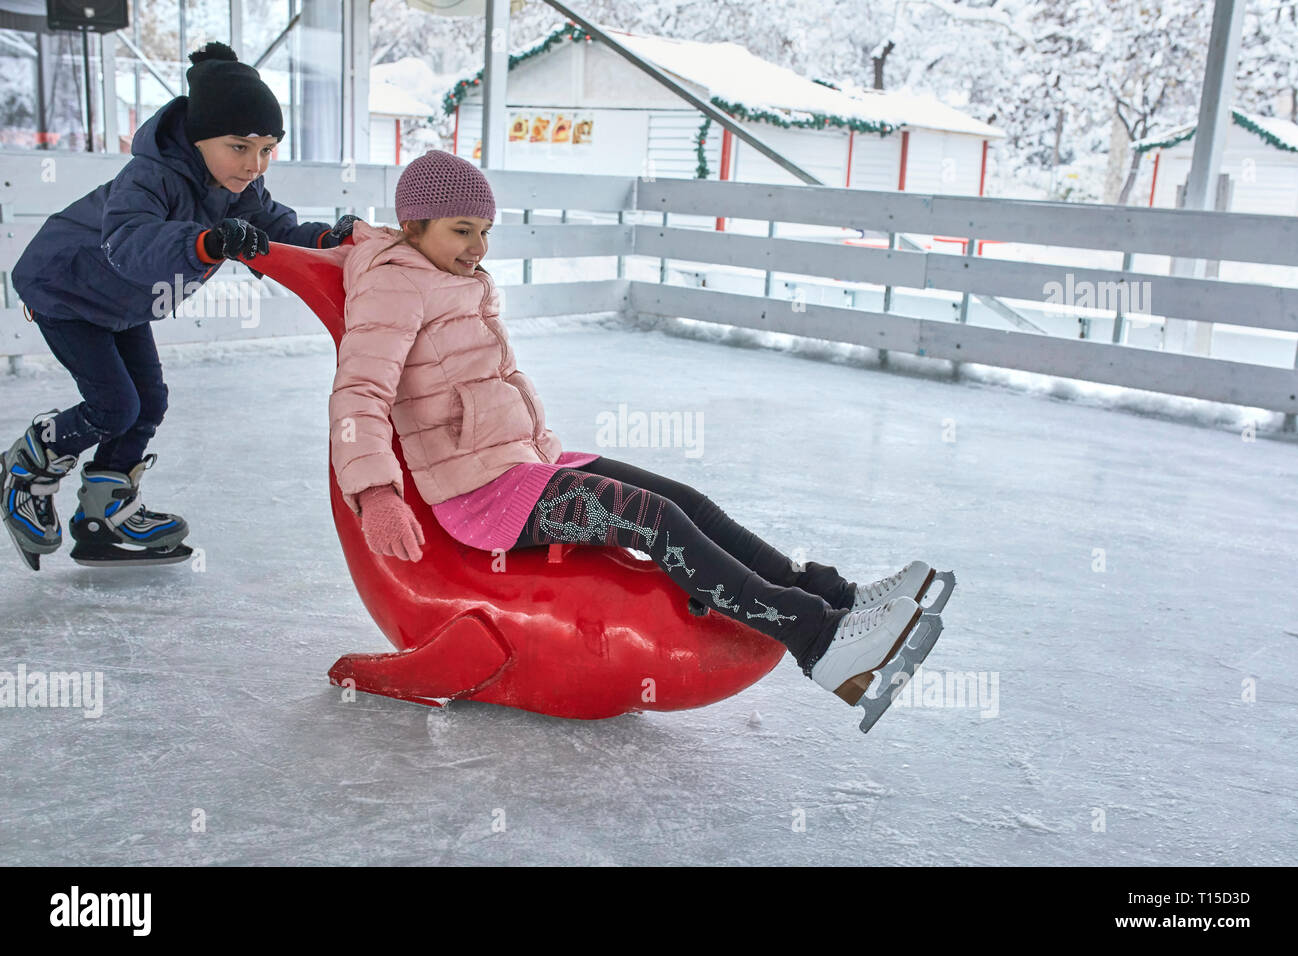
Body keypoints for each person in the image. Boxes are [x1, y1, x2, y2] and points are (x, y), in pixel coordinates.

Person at [329, 150, 947, 711]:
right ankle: (820, 639)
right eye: (461, 230)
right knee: (651, 519)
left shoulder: (453, 276)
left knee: (686, 502)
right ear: (413, 225)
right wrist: (377, 493)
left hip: (528, 466)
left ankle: (836, 599)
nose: (478, 247)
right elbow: (359, 393)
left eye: (485, 231)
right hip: (481, 497)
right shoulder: (394, 284)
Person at [1, 42, 359, 570]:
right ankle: (26, 466)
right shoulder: (150, 176)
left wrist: (329, 238)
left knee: (150, 400)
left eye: (266, 150)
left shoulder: (239, 188)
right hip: (68, 289)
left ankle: (104, 512)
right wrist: (208, 243)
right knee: (115, 406)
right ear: (200, 137)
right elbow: (127, 242)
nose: (254, 165)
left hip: (123, 303)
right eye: (239, 147)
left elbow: (277, 231)